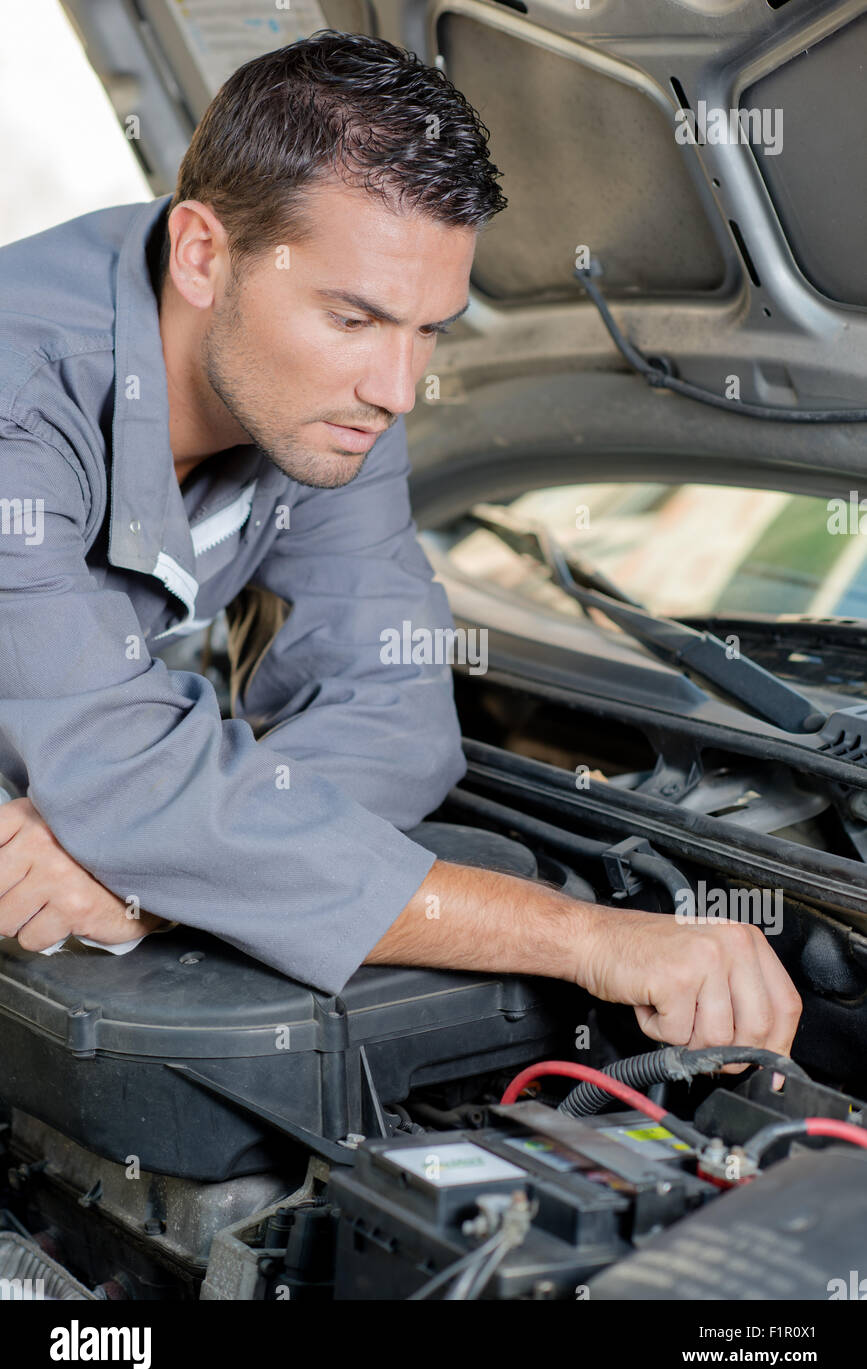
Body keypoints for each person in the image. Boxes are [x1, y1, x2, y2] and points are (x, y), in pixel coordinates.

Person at [0, 31, 800, 1060]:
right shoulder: (23, 402)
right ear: (203, 254)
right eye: (355, 317)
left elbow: (396, 710)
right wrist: (593, 938)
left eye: (430, 329)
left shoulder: (326, 401)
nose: (397, 387)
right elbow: (131, 781)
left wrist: (166, 865)